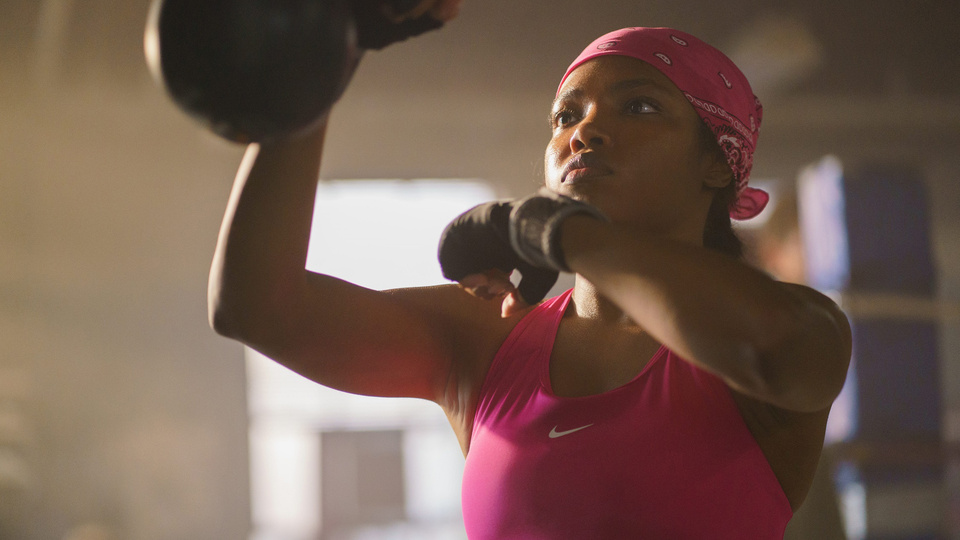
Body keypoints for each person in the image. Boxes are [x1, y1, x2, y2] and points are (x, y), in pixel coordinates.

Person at [208, 4, 852, 538]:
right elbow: (259, 306)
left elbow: (771, 349)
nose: (585, 131)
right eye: (566, 116)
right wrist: (316, 67)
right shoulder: (487, 338)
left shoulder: (798, 328)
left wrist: (558, 234)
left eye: (641, 107)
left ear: (718, 163)